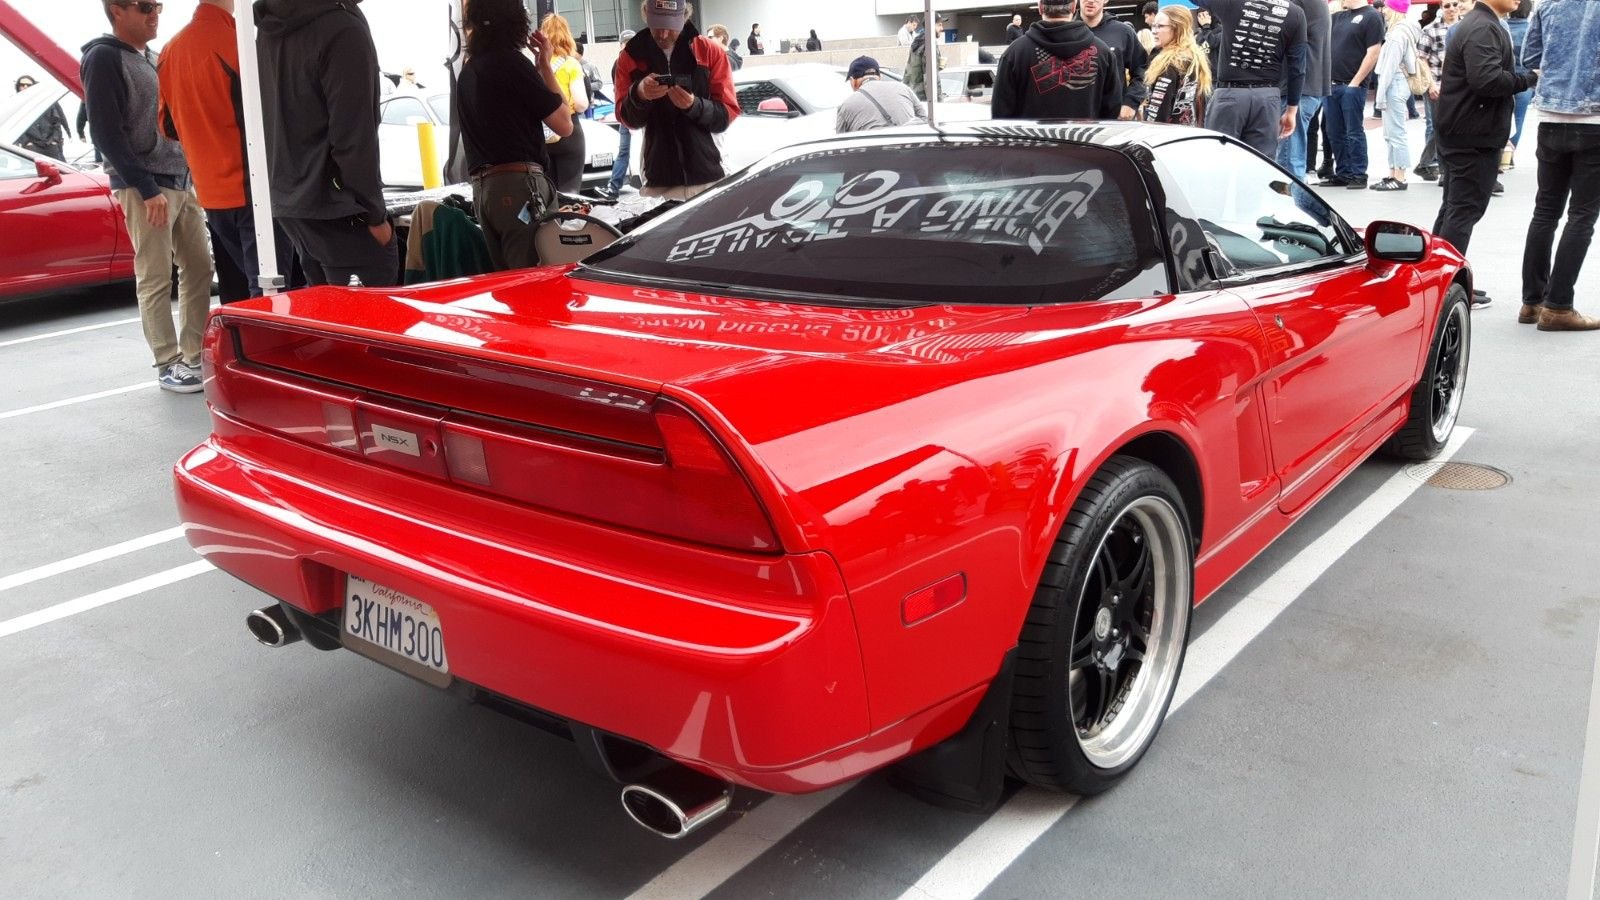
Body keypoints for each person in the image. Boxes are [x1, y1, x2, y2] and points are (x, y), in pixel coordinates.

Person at [82, 0, 213, 394]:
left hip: (179, 177)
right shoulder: (104, 57)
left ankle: (194, 354)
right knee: (156, 276)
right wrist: (145, 186)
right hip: (145, 185)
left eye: (157, 5)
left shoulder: (153, 56)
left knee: (200, 268)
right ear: (116, 10)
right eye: (144, 6)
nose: (154, 13)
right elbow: (104, 131)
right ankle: (167, 362)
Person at [157, 0, 295, 300]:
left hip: (210, 192)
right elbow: (270, 117)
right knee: (269, 291)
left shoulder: (170, 50)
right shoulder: (240, 44)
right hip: (253, 189)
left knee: (242, 289)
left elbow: (167, 127)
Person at [256, 0, 395, 288]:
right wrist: (373, 215)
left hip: (294, 203)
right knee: (370, 325)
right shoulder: (342, 29)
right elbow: (354, 136)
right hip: (340, 211)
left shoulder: (271, 25)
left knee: (331, 324)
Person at [1432, 0, 1537, 308]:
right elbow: (1487, 80)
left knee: (1454, 208)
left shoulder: (1482, 24)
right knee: (1463, 210)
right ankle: (1447, 286)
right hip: (1472, 134)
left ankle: (1441, 279)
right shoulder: (1483, 27)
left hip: (1464, 131)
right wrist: (1528, 77)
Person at [457, 0, 571, 270]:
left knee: (508, 282)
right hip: (520, 186)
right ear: (517, 25)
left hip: (485, 191)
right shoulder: (513, 64)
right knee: (536, 280)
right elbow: (564, 123)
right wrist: (544, 65)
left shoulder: (469, 70)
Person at [1517, 0, 1600, 330]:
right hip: (1594, 118)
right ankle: (1559, 306)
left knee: (1546, 210)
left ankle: (1532, 301)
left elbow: (1530, 59)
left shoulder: (1547, 3)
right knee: (1581, 215)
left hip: (1550, 117)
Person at [615, 0, 739, 201]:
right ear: (645, 14)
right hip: (659, 179)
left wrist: (694, 106)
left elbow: (726, 114)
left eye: (670, 26)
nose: (663, 34)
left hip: (709, 175)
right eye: (657, 25)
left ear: (685, 16)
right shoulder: (630, 56)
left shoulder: (709, 51)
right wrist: (639, 93)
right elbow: (626, 118)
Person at [1192, 0, 1308, 157]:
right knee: (1260, 165)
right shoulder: (1296, 13)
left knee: (1219, 161)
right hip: (1268, 98)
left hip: (1230, 94)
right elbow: (1298, 67)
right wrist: (1291, 110)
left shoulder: (1233, 3)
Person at [992, 0, 1123, 121]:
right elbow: (1112, 110)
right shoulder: (1103, 53)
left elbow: (1001, 115)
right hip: (1086, 143)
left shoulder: (1014, 53)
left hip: (1032, 145)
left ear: (1040, 7)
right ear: (1073, 6)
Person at [1324, 0, 1384, 188]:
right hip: (1332, 84)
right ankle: (1344, 172)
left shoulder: (1372, 16)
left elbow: (1373, 52)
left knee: (1353, 131)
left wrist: (1355, 82)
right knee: (1334, 131)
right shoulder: (1337, 17)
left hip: (1352, 85)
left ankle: (1359, 173)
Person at [1275, 0, 1331, 181]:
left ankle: (1291, 201)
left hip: (1299, 86)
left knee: (1288, 162)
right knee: (1290, 156)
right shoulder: (1315, 5)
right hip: (1308, 85)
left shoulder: (1300, 5)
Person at [1368, 0, 1419, 190]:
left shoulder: (1397, 34)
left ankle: (1400, 177)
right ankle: (1393, 174)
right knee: (1391, 133)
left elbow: (1388, 68)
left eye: (1388, 7)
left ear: (1395, 9)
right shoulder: (1404, 30)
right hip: (1398, 83)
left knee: (1395, 133)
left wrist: (1380, 96)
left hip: (1393, 84)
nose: (1384, 11)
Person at [1413, 0, 1464, 182]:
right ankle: (1443, 171)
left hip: (1461, 86)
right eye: (1447, 5)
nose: (1451, 8)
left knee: (1453, 127)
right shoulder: (1430, 29)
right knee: (1440, 127)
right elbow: (1422, 59)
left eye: (1454, 4)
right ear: (1441, 9)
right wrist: (1431, 84)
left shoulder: (1467, 26)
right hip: (1437, 84)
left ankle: (1426, 163)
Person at [541, 14, 589, 194]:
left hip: (544, 133)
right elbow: (581, 104)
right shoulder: (571, 64)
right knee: (569, 194)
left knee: (548, 195)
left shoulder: (538, 65)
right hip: (569, 131)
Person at [1140, 6, 1211, 126]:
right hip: (1188, 134)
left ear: (1177, 29)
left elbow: (1157, 115)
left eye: (1160, 26)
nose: (1154, 31)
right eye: (1154, 25)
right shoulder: (1194, 58)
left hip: (1165, 137)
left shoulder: (1169, 63)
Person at [1077, 0, 1148, 120]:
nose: (1090, 1)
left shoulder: (1123, 32)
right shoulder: (1064, 31)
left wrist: (1131, 102)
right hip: (1070, 120)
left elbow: (1143, 68)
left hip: (1112, 121)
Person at [836, 55, 924, 133]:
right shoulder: (904, 89)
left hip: (873, 150)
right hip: (910, 147)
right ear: (879, 76)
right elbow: (925, 120)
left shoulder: (846, 106)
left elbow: (839, 143)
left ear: (852, 80)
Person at [602, 29, 638, 200]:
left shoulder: (639, 59)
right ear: (621, 44)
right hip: (628, 113)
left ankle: (614, 187)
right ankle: (613, 187)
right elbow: (619, 91)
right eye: (626, 42)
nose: (629, 45)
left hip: (637, 113)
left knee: (635, 150)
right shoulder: (620, 62)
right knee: (625, 151)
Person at [1504, 0, 1533, 169]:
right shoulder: (1531, 28)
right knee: (1519, 118)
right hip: (1525, 80)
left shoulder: (1501, 26)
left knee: (1501, 114)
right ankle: (1510, 153)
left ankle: (1500, 147)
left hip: (1504, 77)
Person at [14, 76, 69, 161]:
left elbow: (57, 121)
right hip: (32, 146)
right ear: (18, 87)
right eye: (22, 85)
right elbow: (15, 126)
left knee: (59, 168)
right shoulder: (16, 105)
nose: (25, 87)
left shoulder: (44, 101)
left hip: (50, 143)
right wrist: (26, 142)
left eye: (29, 85)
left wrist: (55, 140)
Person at [905, 17, 941, 102]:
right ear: (931, 26)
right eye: (939, 25)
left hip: (914, 96)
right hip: (924, 100)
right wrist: (937, 102)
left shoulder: (918, 41)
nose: (942, 28)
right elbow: (930, 78)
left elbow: (908, 72)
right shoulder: (929, 43)